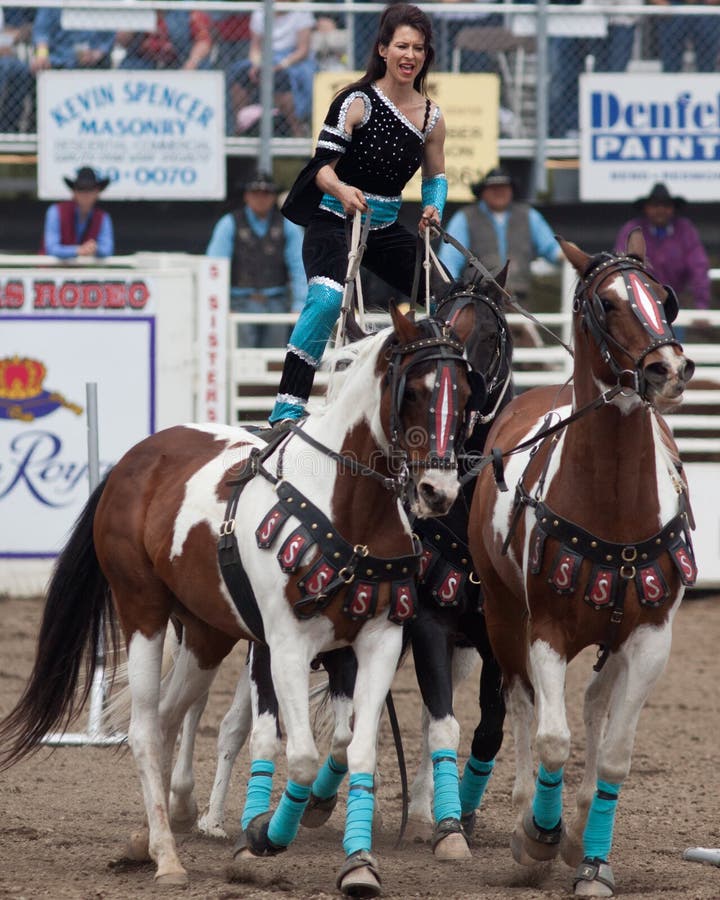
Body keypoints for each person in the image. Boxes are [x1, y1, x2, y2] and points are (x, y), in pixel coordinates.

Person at [269, 2, 448, 425]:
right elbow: (320, 170)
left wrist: (432, 208)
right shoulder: (355, 102)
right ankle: (287, 406)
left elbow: (435, 176)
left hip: (384, 226)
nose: (410, 55)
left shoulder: (431, 117)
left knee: (450, 299)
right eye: (401, 45)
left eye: (418, 48)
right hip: (333, 218)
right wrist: (343, 190)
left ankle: (432, 399)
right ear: (383, 49)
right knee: (328, 296)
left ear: (426, 55)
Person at [206, 171, 306, 349]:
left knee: (274, 362)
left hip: (277, 302)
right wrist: (222, 304)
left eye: (266, 193)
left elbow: (299, 266)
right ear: (246, 195)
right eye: (255, 193)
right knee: (242, 361)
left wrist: (299, 305)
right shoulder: (229, 223)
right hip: (239, 303)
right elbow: (215, 268)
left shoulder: (287, 225)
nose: (261, 198)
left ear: (273, 196)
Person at [438, 166, 562, 304]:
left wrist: (566, 253)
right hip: (477, 300)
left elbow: (551, 249)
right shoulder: (464, 218)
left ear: (511, 190)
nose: (499, 192)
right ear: (483, 192)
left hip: (519, 302)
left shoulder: (530, 216)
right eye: (493, 188)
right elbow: (450, 261)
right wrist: (450, 294)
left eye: (504, 187)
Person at [614, 182, 711, 314]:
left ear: (673, 209)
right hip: (638, 304)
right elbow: (621, 266)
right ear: (646, 208)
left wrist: (701, 306)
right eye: (655, 206)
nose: (660, 210)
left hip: (674, 303)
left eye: (666, 206)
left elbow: (699, 266)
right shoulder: (632, 229)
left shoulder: (685, 229)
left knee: (675, 333)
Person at [42, 166, 114, 259]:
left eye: (90, 189)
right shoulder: (55, 211)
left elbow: (108, 249)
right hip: (52, 271)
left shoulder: (103, 217)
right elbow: (51, 248)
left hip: (84, 272)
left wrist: (95, 248)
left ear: (97, 192)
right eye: (81, 189)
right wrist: (78, 250)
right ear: (74, 192)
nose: (85, 194)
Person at [117, 9, 212, 70]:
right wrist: (133, 20)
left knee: (201, 67)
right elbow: (122, 41)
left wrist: (192, 63)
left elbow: (203, 40)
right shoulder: (141, 8)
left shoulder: (187, 12)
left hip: (178, 61)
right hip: (144, 62)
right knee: (129, 65)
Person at [31, 7, 114, 71]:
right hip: (59, 61)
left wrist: (96, 54)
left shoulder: (103, 2)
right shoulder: (52, 3)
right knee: (39, 64)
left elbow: (110, 37)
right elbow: (41, 31)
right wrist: (42, 54)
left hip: (95, 63)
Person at [648, 0, 720, 73]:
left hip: (705, 6)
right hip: (672, 8)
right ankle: (670, 82)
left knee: (707, 62)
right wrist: (660, 3)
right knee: (670, 63)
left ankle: (707, 82)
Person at [0, 7, 34, 133]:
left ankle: (8, 129)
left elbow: (15, 32)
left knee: (21, 69)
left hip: (6, 58)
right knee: (5, 68)